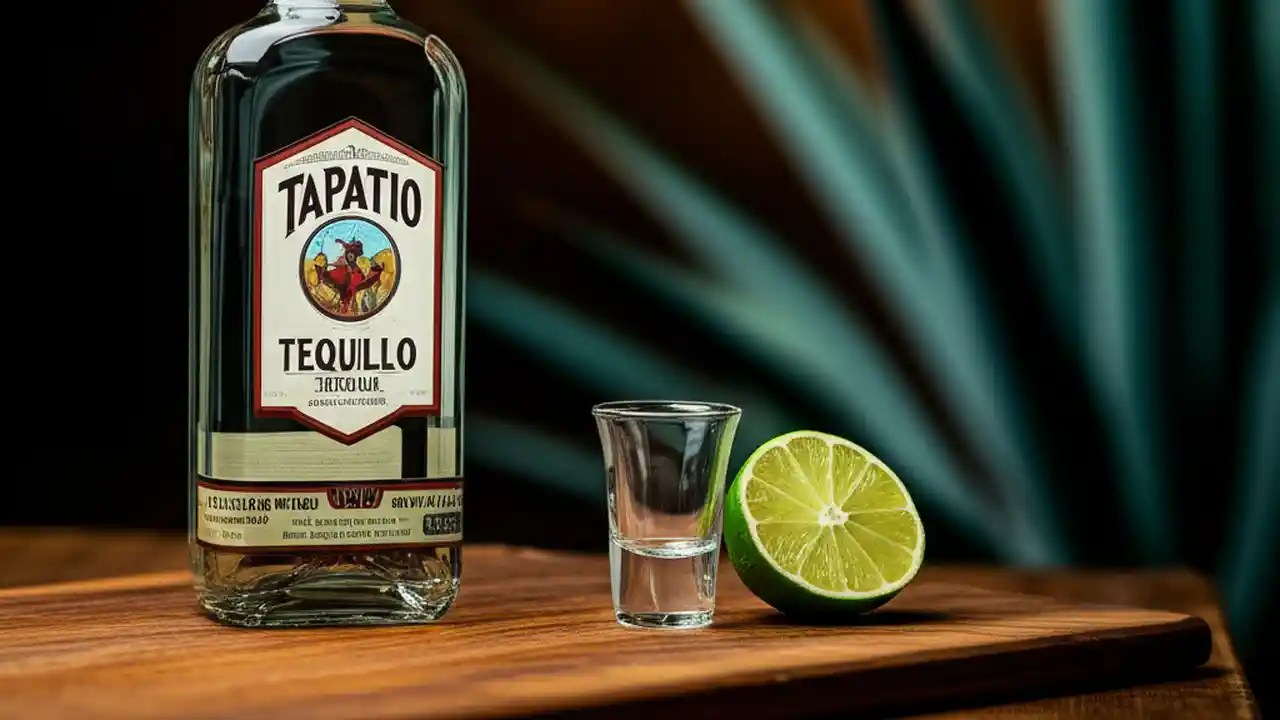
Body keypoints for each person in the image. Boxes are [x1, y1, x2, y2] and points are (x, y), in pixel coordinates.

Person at [315, 239, 382, 315]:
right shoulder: (343, 269)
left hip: (354, 302)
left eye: (352, 254)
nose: (350, 255)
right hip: (342, 302)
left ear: (355, 255)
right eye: (348, 253)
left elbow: (363, 283)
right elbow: (329, 277)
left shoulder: (359, 270)